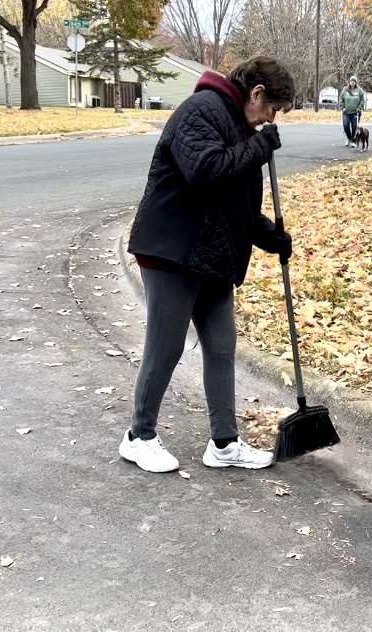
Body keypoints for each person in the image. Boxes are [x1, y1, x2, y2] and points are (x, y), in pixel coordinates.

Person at [121, 56, 296, 473]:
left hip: (211, 253)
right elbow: (206, 171)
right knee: (166, 346)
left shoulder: (238, 124)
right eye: (272, 108)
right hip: (173, 250)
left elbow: (231, 201)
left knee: (221, 347)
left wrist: (271, 236)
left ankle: (224, 443)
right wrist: (259, 146)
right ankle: (138, 436)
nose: (272, 119)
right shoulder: (201, 110)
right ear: (256, 95)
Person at [339, 75, 365, 147]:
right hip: (346, 112)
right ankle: (349, 138)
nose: (352, 83)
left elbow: (362, 100)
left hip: (355, 112)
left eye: (354, 81)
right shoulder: (345, 90)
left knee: (354, 127)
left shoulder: (359, 90)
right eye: (351, 81)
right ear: (349, 82)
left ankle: (354, 141)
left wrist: (360, 107)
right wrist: (342, 107)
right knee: (346, 125)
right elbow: (341, 99)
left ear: (356, 83)